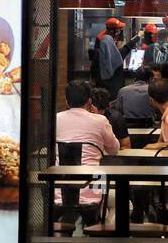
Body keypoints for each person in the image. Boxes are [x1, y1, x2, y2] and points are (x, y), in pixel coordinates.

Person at [54, 80, 120, 208]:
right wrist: (97, 117)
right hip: (94, 189)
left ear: (67, 102)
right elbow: (114, 150)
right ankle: (98, 225)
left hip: (58, 189)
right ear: (90, 101)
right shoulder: (100, 120)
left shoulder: (55, 119)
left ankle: (64, 225)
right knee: (119, 202)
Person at [91, 17, 126, 99]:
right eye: (118, 30)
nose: (120, 32)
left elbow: (119, 47)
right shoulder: (102, 39)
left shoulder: (116, 34)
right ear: (112, 30)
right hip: (105, 77)